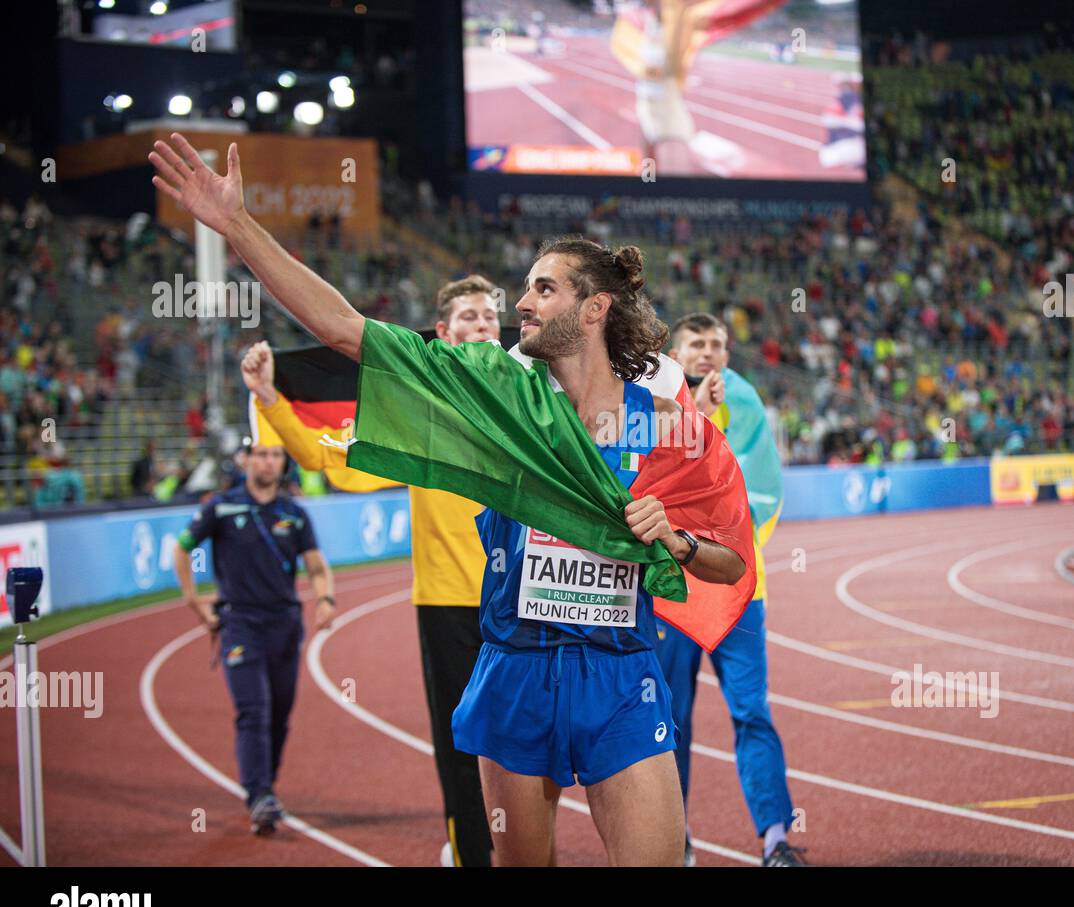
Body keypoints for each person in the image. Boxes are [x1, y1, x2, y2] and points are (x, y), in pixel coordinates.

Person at [149, 132, 751, 866]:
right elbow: (345, 329)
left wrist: (678, 541)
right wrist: (236, 224)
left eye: (543, 289)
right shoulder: (492, 397)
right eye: (523, 289)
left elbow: (728, 565)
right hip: (515, 673)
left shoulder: (663, 424)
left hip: (620, 674)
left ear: (594, 309)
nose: (520, 304)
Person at [240, 274, 501, 868]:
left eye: (490, 316)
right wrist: (268, 398)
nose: (481, 325)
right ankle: (475, 859)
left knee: (527, 747)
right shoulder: (415, 416)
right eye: (468, 317)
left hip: (523, 601)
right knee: (462, 749)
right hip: (448, 603)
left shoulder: (532, 398)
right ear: (442, 333)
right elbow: (328, 460)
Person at [655, 313, 803, 866]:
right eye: (696, 343)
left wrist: (728, 555)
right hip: (673, 591)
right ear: (677, 349)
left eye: (717, 344)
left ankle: (775, 838)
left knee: (752, 712)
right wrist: (698, 409)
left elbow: (763, 494)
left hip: (738, 590)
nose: (708, 353)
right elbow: (650, 481)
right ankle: (675, 838)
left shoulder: (746, 402)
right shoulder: (651, 392)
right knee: (669, 718)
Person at [173, 440, 334, 835]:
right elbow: (182, 548)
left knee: (280, 714)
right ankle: (259, 794)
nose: (268, 461)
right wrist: (194, 600)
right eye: (261, 454)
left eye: (276, 455)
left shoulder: (293, 514)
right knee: (254, 711)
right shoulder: (220, 507)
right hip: (241, 625)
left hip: (285, 626)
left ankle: (266, 785)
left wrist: (325, 598)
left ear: (282, 464)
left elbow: (315, 566)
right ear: (247, 460)